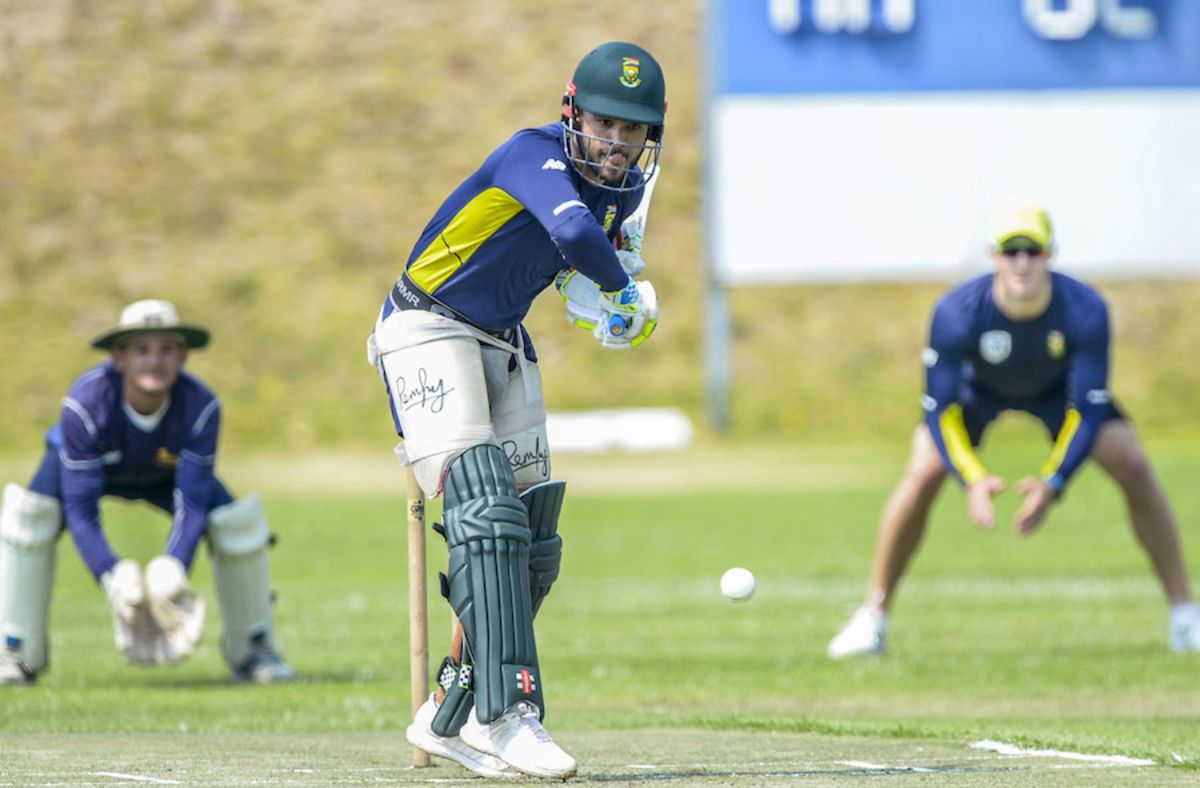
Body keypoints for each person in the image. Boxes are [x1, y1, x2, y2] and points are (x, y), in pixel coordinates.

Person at [367, 41, 666, 779]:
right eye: (605, 124)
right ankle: (508, 716)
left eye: (634, 132)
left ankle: (449, 713)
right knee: (486, 508)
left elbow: (572, 268)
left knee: (532, 537)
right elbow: (568, 232)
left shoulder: (622, 189)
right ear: (573, 113)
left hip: (501, 338)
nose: (618, 144)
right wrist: (625, 292)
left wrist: (605, 305)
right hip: (427, 323)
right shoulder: (531, 155)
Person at [827, 200, 1200, 660]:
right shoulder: (956, 312)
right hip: (977, 393)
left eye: (1033, 251)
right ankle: (872, 618)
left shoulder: (1085, 310)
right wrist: (972, 479)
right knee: (923, 468)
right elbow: (941, 414)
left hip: (1055, 392)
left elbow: (1085, 409)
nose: (1022, 262)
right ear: (994, 256)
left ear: (1050, 254)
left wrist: (1053, 481)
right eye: (1011, 250)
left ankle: (1185, 616)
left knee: (1132, 460)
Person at [0, 299, 294, 685]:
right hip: (86, 469)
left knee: (236, 524)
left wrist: (171, 571)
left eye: (166, 350)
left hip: (161, 473)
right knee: (29, 516)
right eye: (141, 350)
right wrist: (112, 575)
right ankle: (14, 651)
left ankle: (256, 650)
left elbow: (193, 500)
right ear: (118, 358)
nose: (155, 362)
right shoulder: (85, 403)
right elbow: (80, 507)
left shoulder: (201, 406)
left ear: (183, 356)